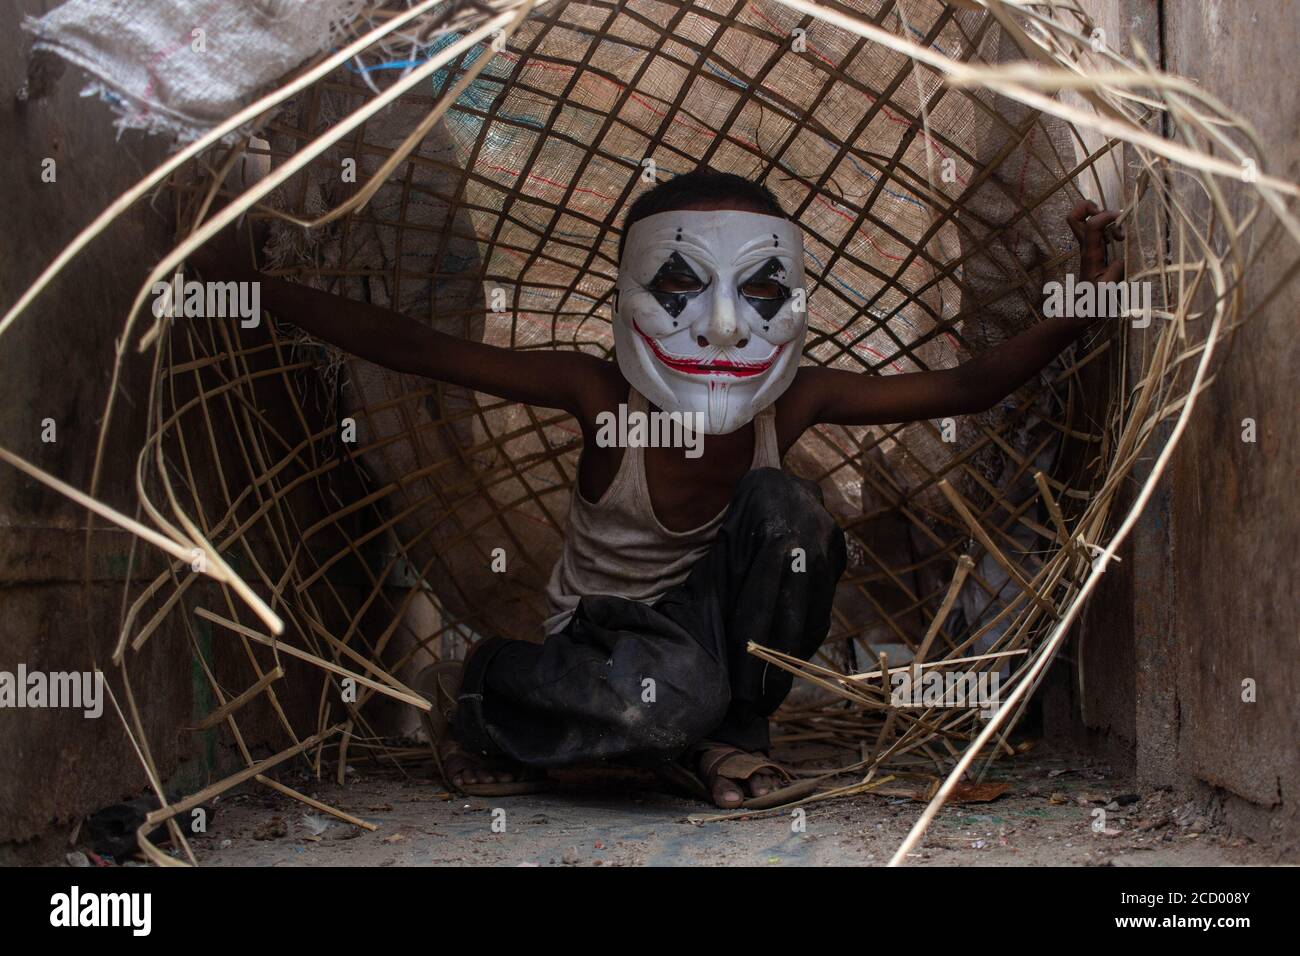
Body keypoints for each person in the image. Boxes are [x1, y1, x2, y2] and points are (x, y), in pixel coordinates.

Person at [197, 167, 1123, 808]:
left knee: (793, 516)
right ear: (627, 296)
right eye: (679, 283)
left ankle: (738, 733)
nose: (721, 325)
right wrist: (260, 291)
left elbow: (968, 388)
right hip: (607, 644)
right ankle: (488, 687)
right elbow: (424, 351)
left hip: (713, 633)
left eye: (760, 293)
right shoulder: (596, 393)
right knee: (663, 699)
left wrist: (1084, 300)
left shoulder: (792, 403)